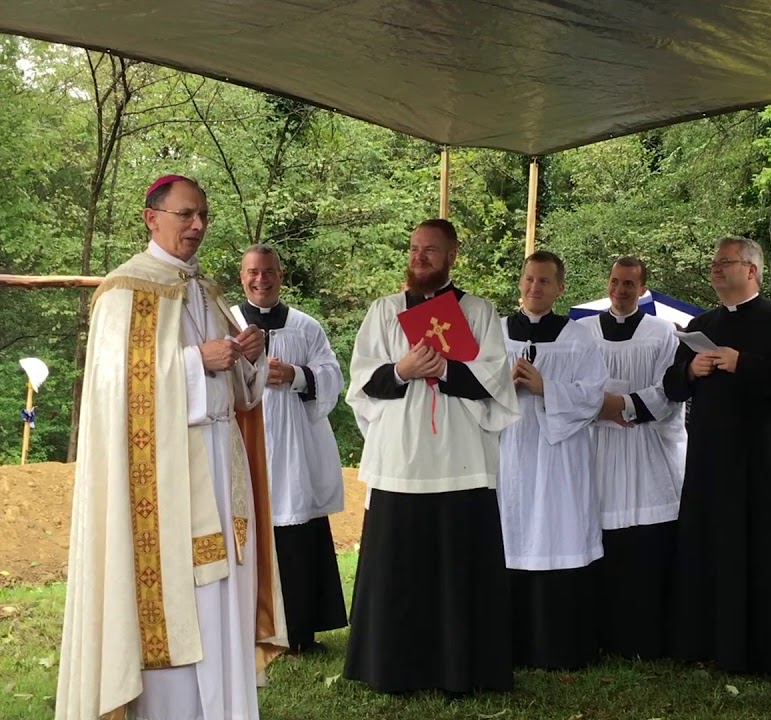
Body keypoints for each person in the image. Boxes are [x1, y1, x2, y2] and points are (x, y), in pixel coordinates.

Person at [56, 175, 287, 720]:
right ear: (151, 218)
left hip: (221, 470)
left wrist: (248, 356)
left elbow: (240, 392)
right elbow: (115, 395)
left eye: (202, 215)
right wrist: (193, 363)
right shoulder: (123, 292)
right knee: (185, 601)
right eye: (185, 214)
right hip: (162, 487)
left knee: (224, 600)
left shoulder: (206, 291)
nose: (198, 226)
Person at [344, 218, 520, 694]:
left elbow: (496, 382)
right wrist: (401, 370)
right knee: (397, 576)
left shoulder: (480, 311)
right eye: (415, 248)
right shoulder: (383, 311)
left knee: (459, 578)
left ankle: (463, 670)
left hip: (461, 463)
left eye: (431, 250)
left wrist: (444, 368)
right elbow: (360, 385)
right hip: (401, 463)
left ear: (452, 255)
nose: (420, 257)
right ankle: (393, 668)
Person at [662, 236, 771, 677]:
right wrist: (691, 369)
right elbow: (671, 388)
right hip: (708, 455)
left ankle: (764, 647)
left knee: (761, 547)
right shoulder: (700, 324)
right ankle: (708, 640)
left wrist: (742, 362)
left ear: (752, 270)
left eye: (725, 262)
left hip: (761, 455)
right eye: (714, 262)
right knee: (711, 545)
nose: (715, 269)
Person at [233, 244, 348, 655]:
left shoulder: (306, 327)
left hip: (294, 450)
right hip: (243, 445)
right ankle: (245, 633)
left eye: (268, 272)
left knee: (296, 536)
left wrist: (297, 375)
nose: (260, 279)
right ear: (241, 275)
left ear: (281, 275)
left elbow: (332, 376)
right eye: (252, 272)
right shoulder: (224, 321)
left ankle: (300, 631)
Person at [497, 251, 607, 670]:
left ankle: (560, 646)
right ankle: (511, 645)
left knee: (558, 533)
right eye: (528, 279)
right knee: (512, 534)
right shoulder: (497, 332)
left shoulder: (577, 337)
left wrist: (546, 387)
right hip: (511, 450)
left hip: (560, 455)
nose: (534, 288)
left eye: (544, 281)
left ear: (560, 288)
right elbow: (477, 389)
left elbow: (594, 394)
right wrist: (505, 385)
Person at [578, 256, 686, 660]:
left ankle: (644, 637)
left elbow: (668, 392)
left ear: (643, 290)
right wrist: (599, 408)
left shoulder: (662, 333)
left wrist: (620, 406)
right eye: (615, 281)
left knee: (644, 543)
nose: (620, 290)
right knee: (599, 540)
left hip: (643, 447)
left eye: (629, 284)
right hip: (597, 447)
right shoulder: (581, 332)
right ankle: (600, 633)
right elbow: (569, 385)